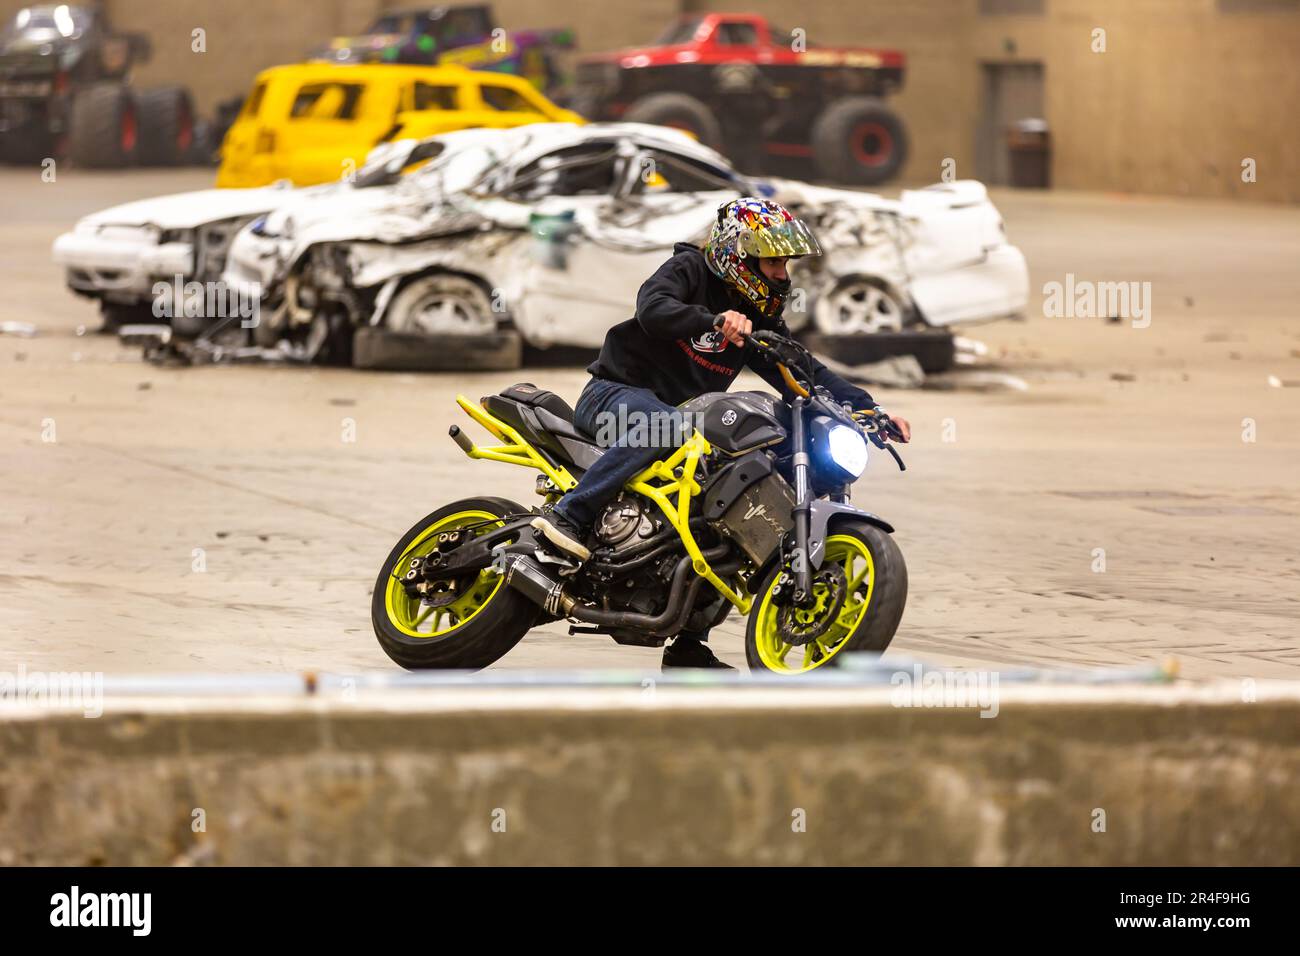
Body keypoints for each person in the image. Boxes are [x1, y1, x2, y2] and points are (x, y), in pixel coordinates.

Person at [531, 197, 911, 669]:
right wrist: (711, 320)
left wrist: (867, 408)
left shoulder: (757, 321)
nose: (781, 273)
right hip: (615, 395)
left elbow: (803, 370)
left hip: (680, 423)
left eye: (785, 262)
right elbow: (653, 309)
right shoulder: (688, 269)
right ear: (739, 254)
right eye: (773, 260)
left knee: (727, 506)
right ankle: (567, 518)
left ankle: (689, 644)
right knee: (670, 426)